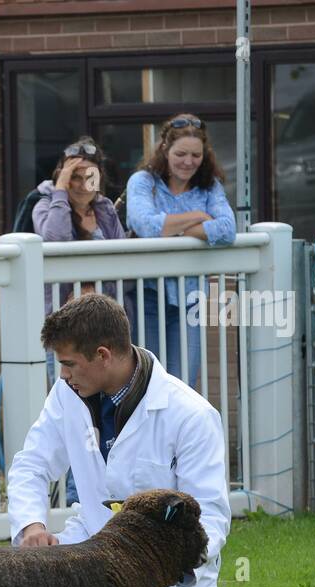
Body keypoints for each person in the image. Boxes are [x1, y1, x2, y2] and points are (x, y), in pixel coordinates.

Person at [4, 293, 230, 587]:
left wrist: (151, 571)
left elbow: (210, 518)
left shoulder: (190, 415)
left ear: (103, 355)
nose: (63, 375)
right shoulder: (67, 394)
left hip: (159, 585)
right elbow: (31, 465)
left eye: (69, 364)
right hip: (87, 551)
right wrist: (31, 527)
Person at [33, 138, 130, 509]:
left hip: (104, 328)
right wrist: (60, 190)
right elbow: (53, 240)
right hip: (68, 332)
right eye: (72, 174)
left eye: (87, 175)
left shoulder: (105, 210)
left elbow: (121, 254)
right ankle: (76, 499)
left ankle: (106, 495)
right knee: (75, 413)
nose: (80, 183)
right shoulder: (46, 205)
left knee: (108, 412)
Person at [124, 114, 236, 389]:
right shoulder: (143, 181)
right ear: (165, 149)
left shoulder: (210, 186)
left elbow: (227, 229)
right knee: (145, 382)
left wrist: (173, 229)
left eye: (196, 155)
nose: (188, 162)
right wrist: (197, 216)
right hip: (147, 295)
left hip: (190, 297)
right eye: (181, 154)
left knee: (183, 384)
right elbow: (145, 225)